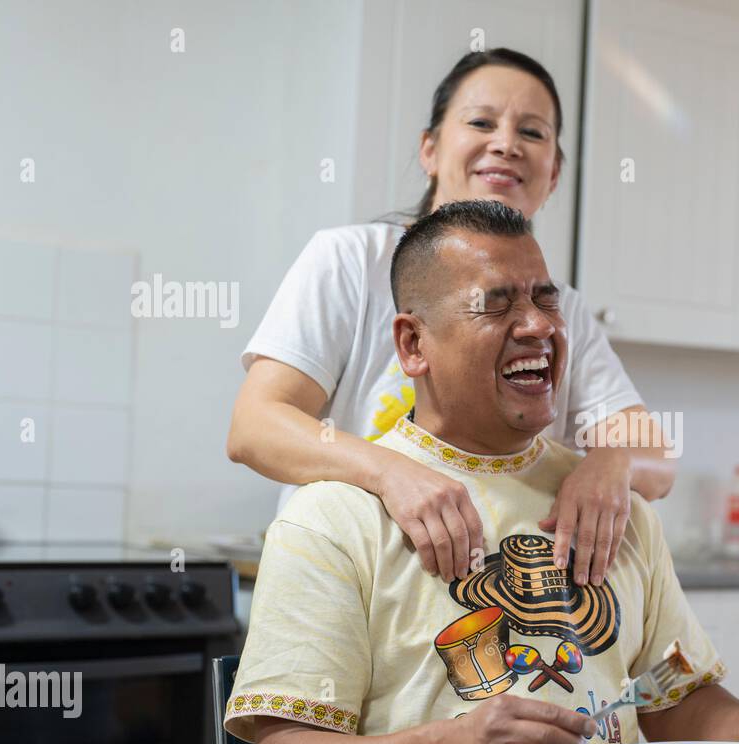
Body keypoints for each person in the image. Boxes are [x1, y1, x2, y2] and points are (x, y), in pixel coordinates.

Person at [225, 201, 739, 744]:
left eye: (546, 301)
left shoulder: (611, 507)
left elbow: (674, 702)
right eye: (496, 306)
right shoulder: (331, 518)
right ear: (413, 345)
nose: (539, 326)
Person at [227, 49, 672, 588]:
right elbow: (256, 426)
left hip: (490, 613)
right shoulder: (351, 261)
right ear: (431, 150)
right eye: (481, 122)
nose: (507, 144)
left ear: (554, 173)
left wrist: (611, 463)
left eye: (533, 133)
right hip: (349, 588)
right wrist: (391, 472)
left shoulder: (564, 312)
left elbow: (654, 456)